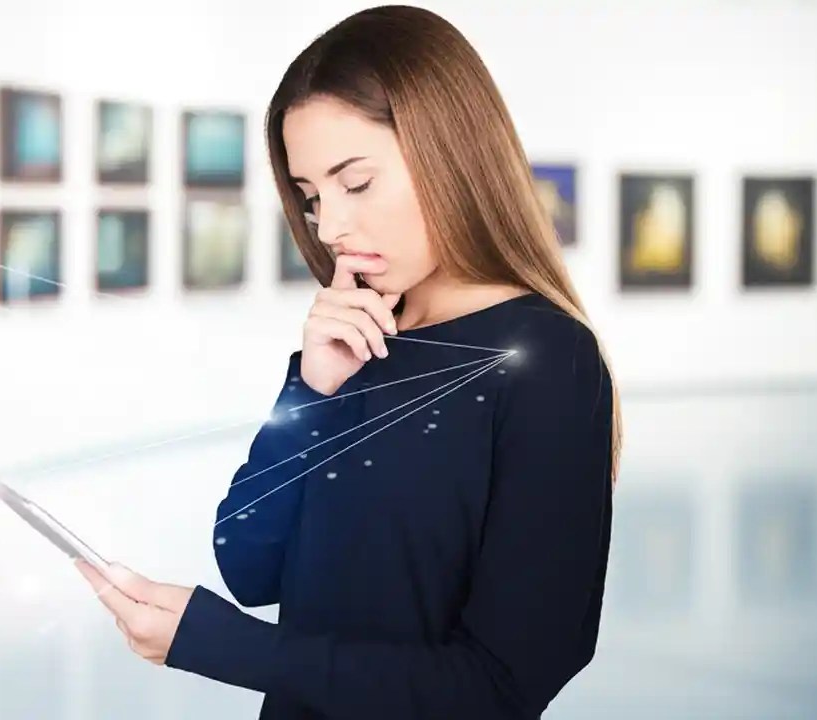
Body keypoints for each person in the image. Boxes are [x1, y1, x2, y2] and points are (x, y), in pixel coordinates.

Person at [75, 5, 622, 718]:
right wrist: (310, 389)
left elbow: (500, 688)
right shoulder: (357, 339)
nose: (330, 226)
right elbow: (246, 561)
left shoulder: (546, 363)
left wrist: (222, 645)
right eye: (310, 197)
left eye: (355, 183)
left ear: (449, 152)